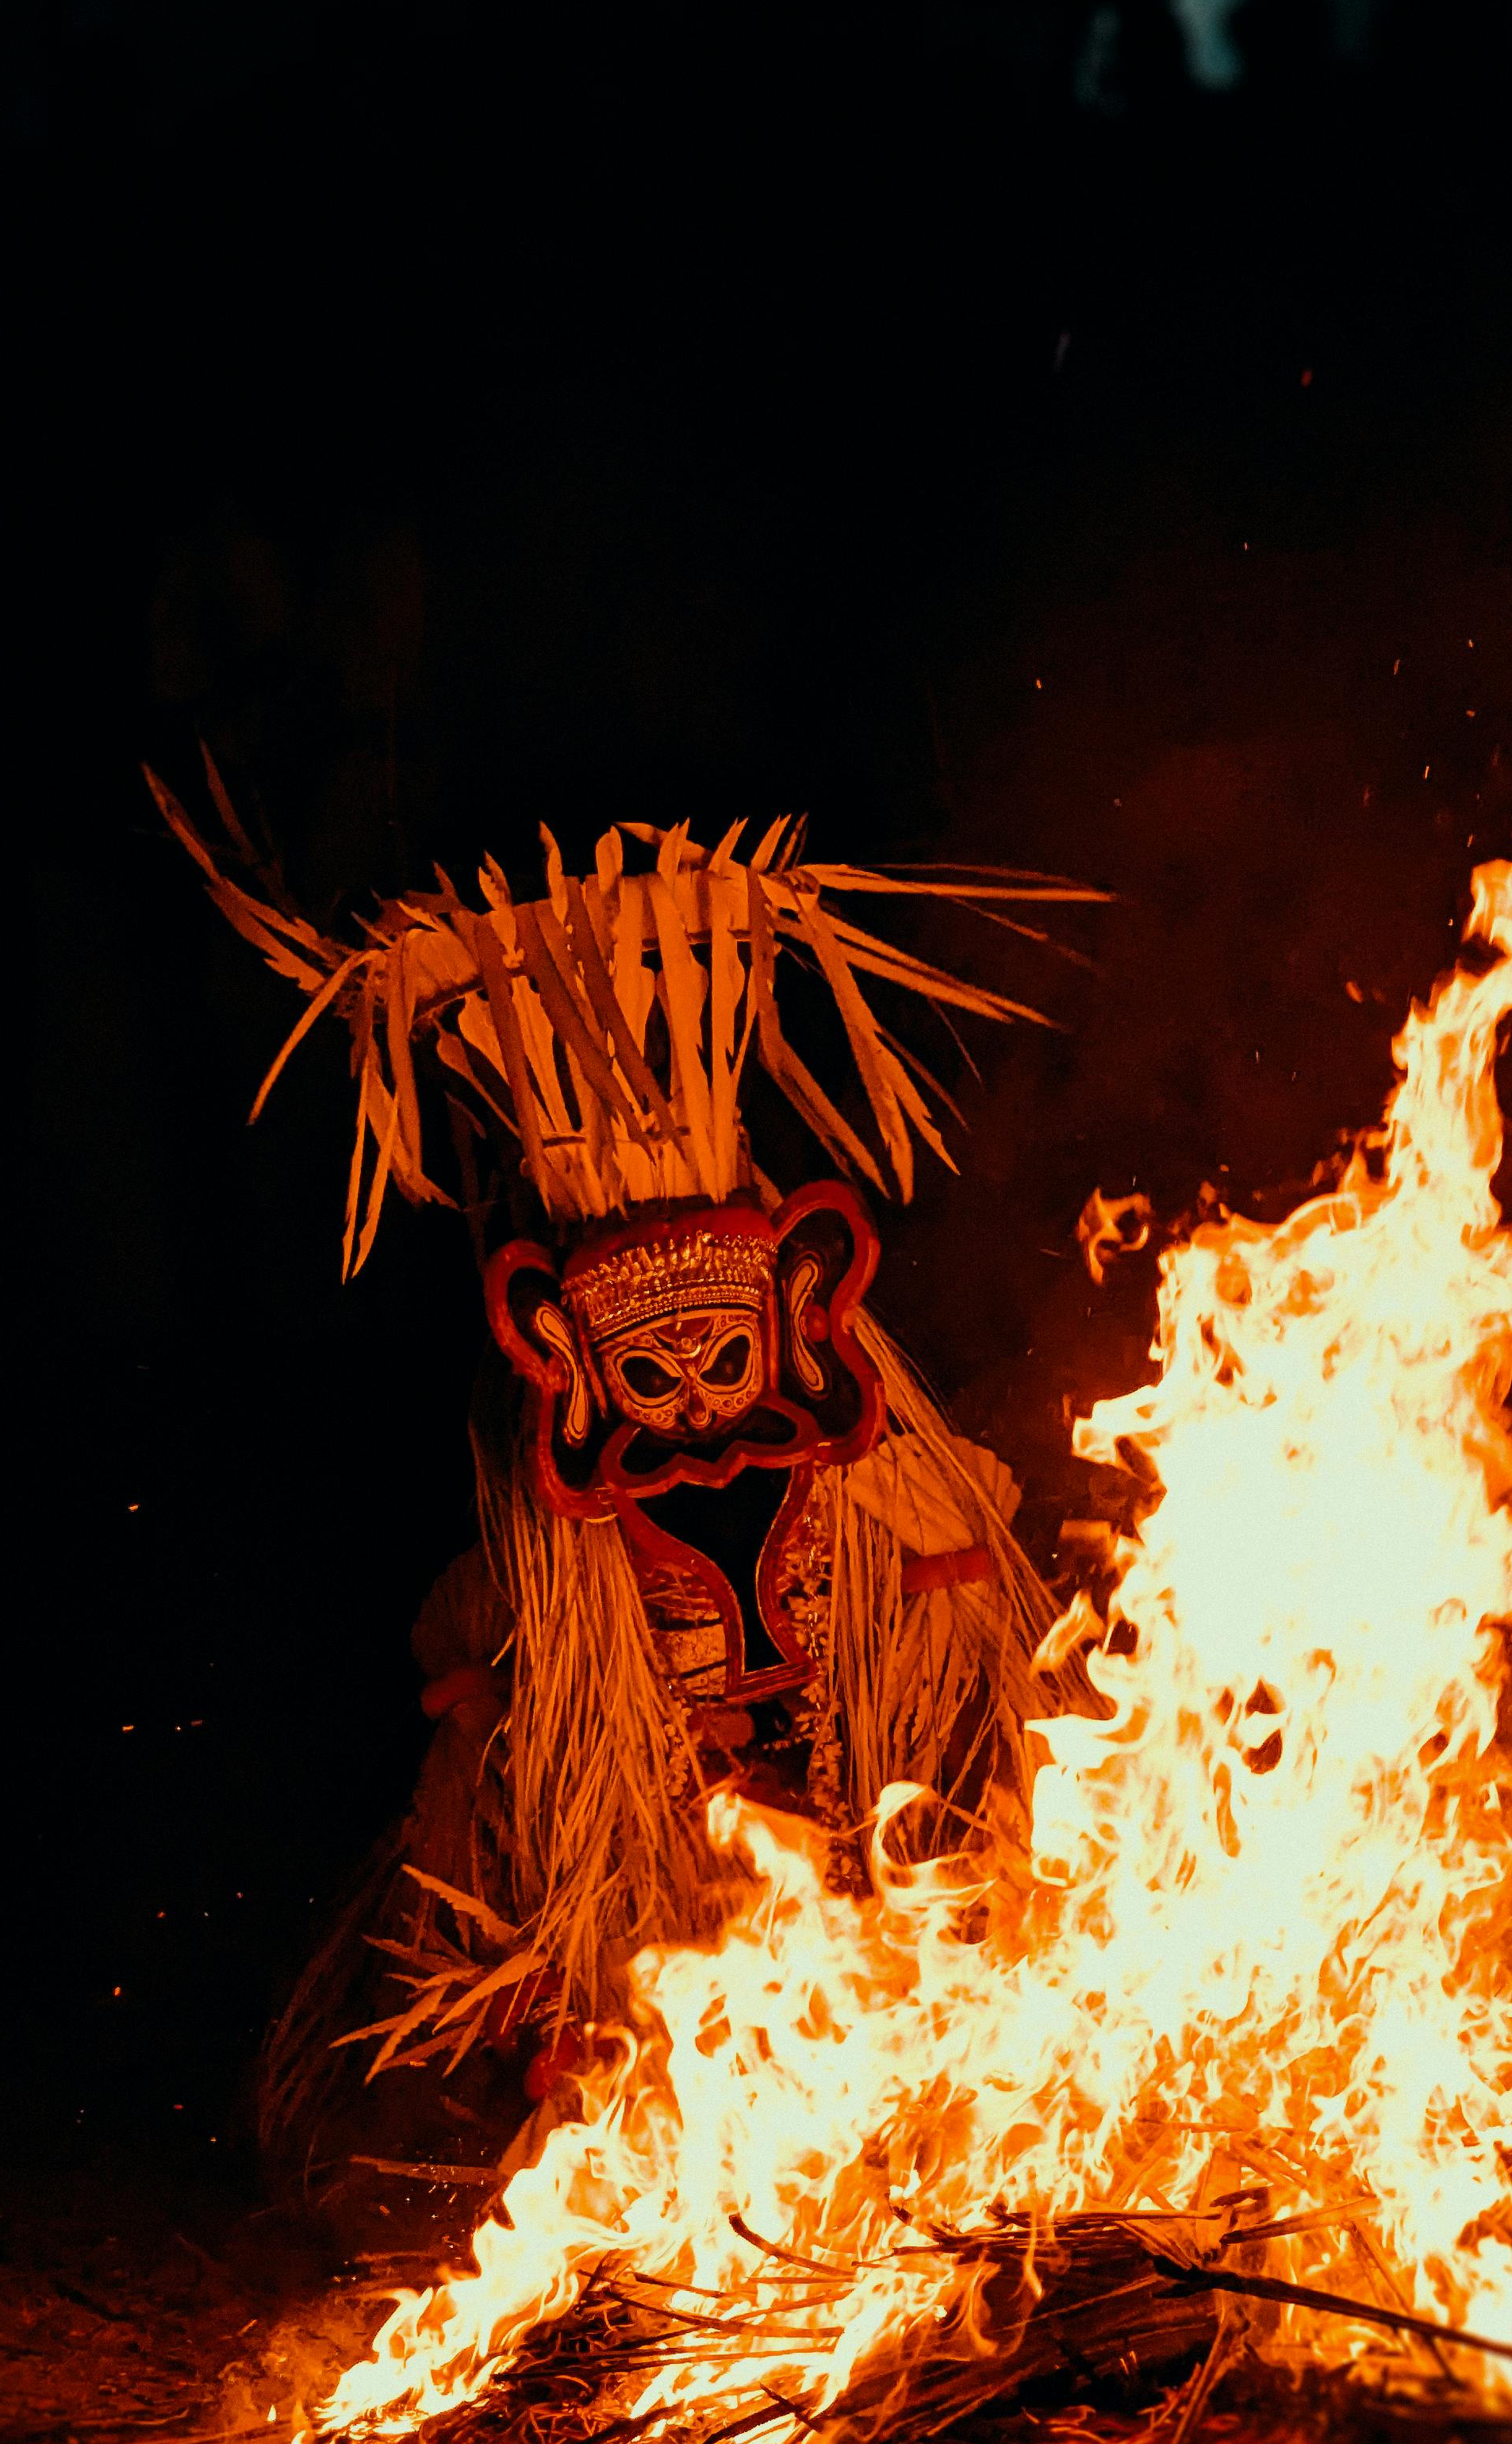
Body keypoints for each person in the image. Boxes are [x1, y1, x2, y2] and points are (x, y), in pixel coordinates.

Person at [153, 775, 1099, 2214]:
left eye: (727, 1362)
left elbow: (986, 1730)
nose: (704, 1412)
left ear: (805, 1312)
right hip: (677, 1930)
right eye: (651, 1385)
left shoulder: (906, 1504)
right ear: (563, 1358)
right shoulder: (537, 1585)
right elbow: (482, 1792)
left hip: (881, 1876)